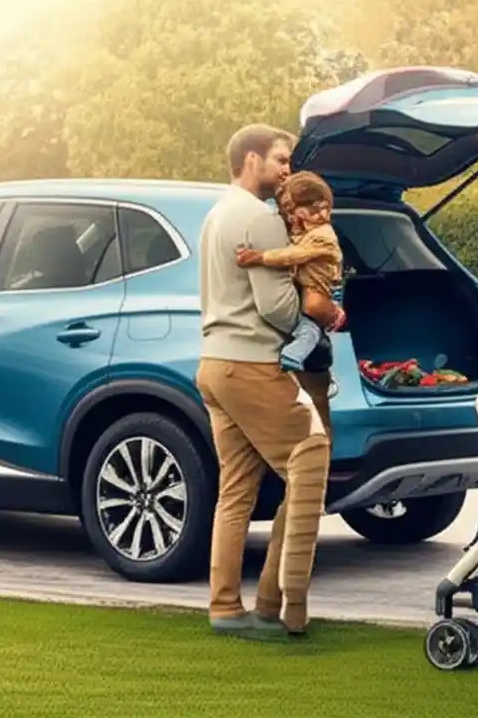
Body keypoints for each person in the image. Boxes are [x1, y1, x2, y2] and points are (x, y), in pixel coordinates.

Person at [195, 123, 342, 638]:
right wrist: (322, 312)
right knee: (311, 453)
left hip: (214, 364)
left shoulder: (215, 215)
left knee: (235, 491)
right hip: (252, 363)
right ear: (251, 158)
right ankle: (280, 605)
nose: (287, 170)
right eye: (281, 160)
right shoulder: (259, 219)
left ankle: (225, 608)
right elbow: (277, 308)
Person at [234, 170, 345, 372]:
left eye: (326, 208)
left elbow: (294, 255)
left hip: (323, 292)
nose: (322, 215)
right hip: (312, 290)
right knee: (309, 329)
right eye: (313, 210)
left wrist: (261, 257)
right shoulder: (307, 231)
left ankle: (293, 356)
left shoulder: (324, 236)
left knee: (310, 329)